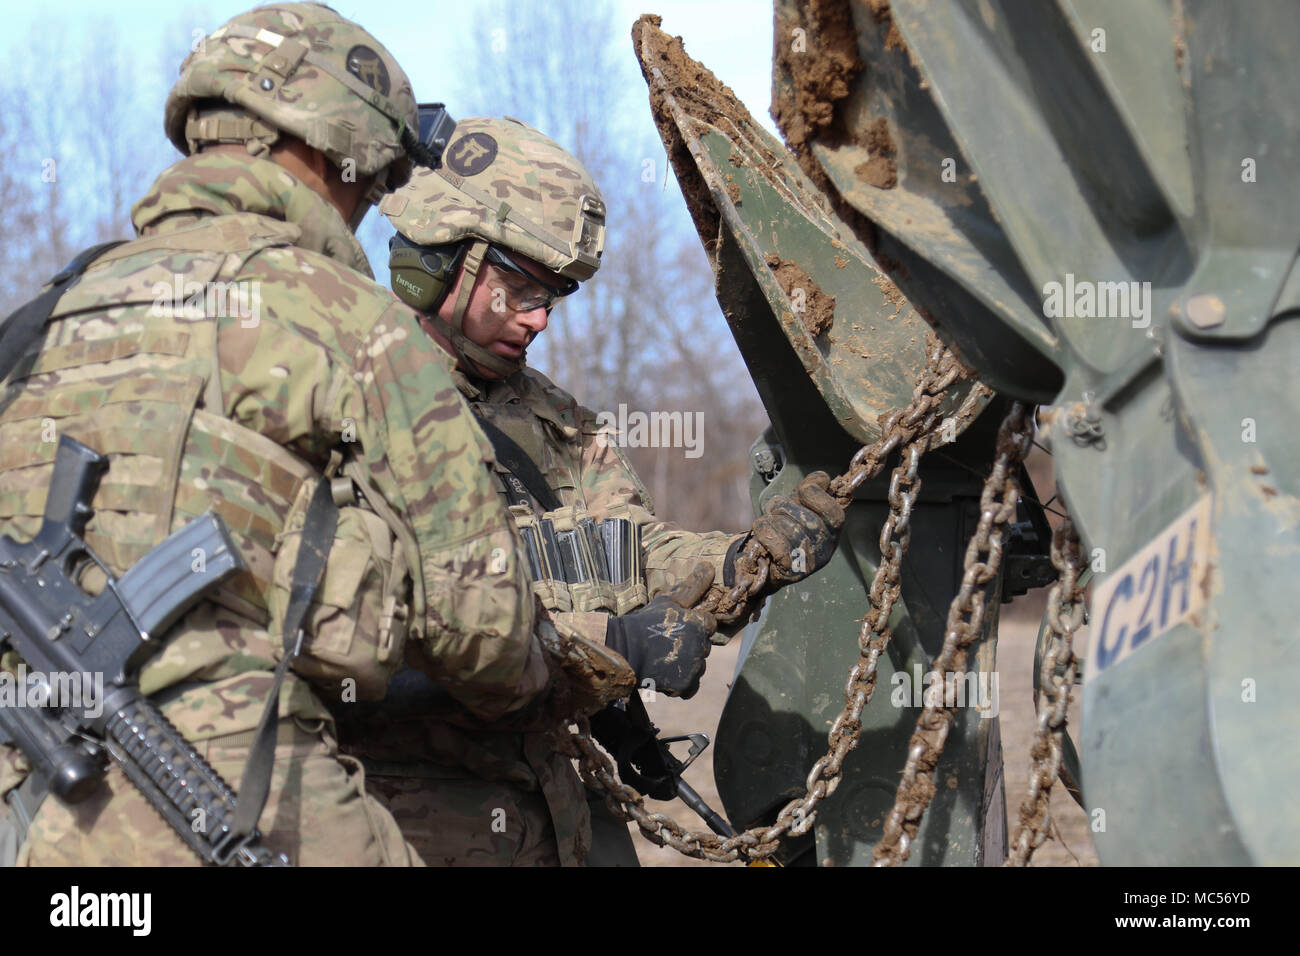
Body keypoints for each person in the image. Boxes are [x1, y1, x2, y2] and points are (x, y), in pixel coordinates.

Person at [0, 4, 546, 866]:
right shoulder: (349, 319)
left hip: (31, 796)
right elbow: (486, 634)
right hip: (227, 787)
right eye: (370, 184)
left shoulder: (43, 318)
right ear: (337, 153)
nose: (364, 207)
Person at [370, 116, 845, 865]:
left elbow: (625, 550)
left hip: (567, 810)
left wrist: (745, 561)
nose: (538, 320)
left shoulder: (553, 417)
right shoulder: (348, 399)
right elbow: (385, 630)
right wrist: (612, 644)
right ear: (436, 257)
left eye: (554, 296)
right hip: (416, 820)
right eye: (520, 287)